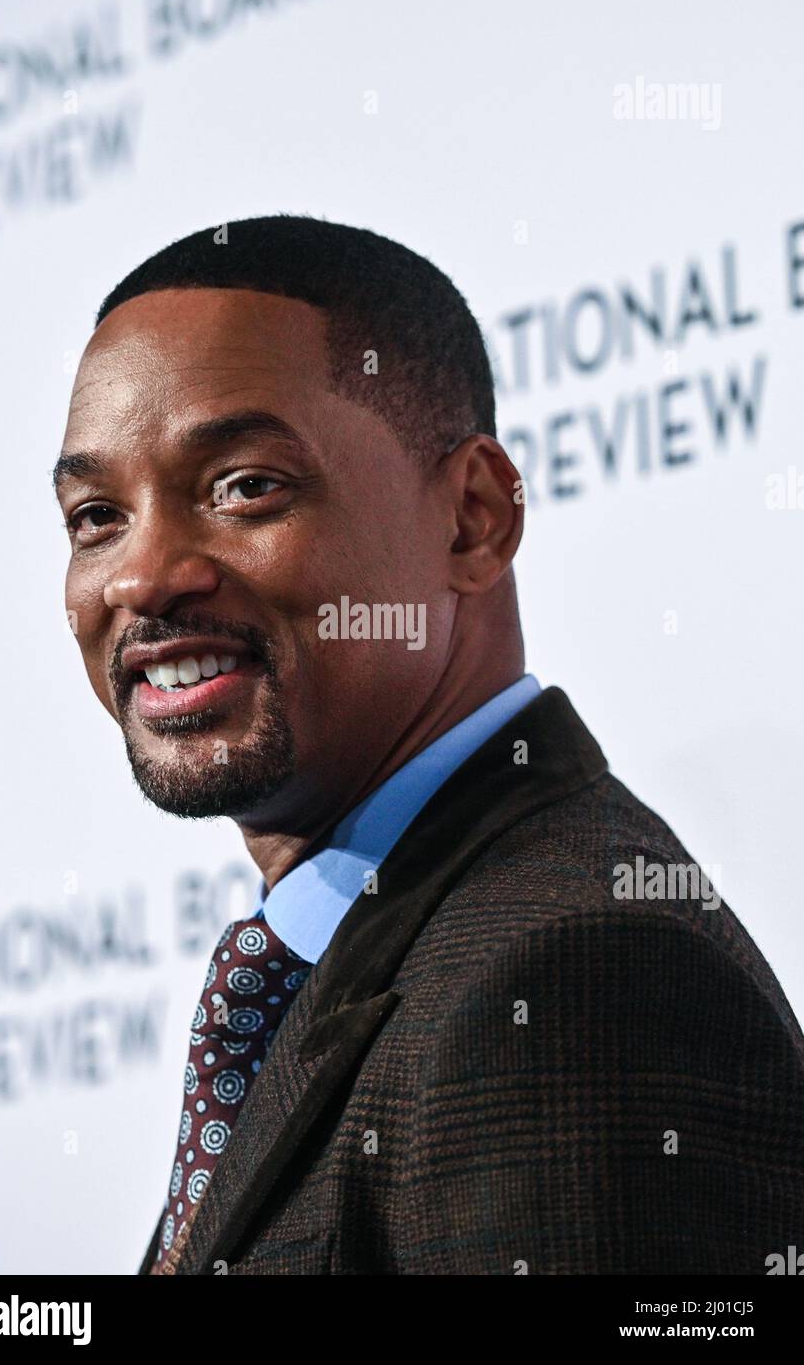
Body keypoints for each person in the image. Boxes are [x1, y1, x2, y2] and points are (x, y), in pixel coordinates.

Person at [54, 215, 804, 1275]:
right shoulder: (373, 953)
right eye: (95, 516)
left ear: (474, 518)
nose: (140, 577)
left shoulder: (574, 982)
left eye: (244, 486)